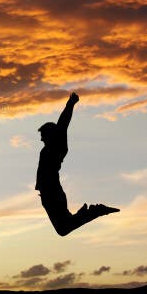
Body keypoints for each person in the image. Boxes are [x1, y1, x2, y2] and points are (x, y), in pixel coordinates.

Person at [36, 91, 119, 236]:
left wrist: (71, 103)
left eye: (43, 136)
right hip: (49, 194)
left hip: (52, 193)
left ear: (51, 135)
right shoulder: (51, 148)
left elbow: (63, 123)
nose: (41, 140)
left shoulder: (57, 146)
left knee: (63, 229)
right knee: (64, 227)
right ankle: (92, 212)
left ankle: (95, 211)